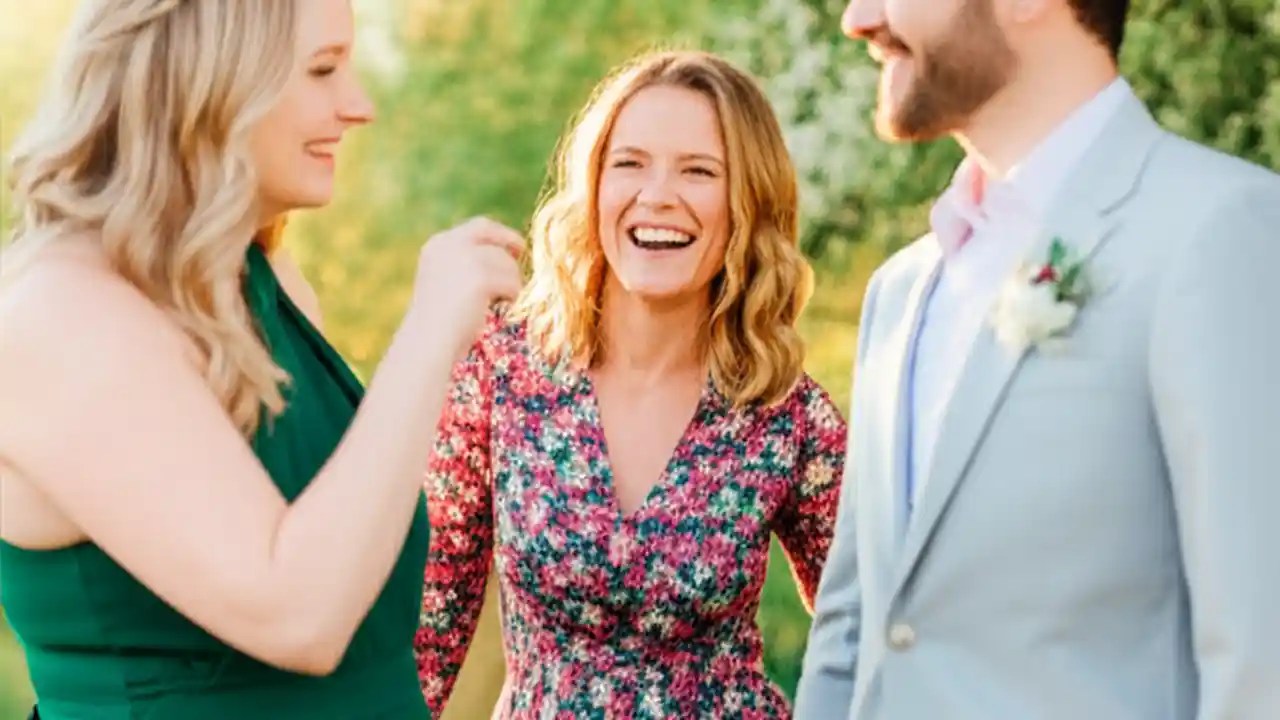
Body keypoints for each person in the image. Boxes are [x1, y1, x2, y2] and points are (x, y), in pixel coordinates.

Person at [0, 1, 523, 718]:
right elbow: (299, 617)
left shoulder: (267, 289)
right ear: (210, 79)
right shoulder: (61, 314)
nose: (357, 105)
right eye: (322, 69)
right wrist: (430, 333)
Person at [796, 0, 1280, 718]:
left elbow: (1259, 662)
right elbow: (852, 631)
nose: (859, 18)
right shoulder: (900, 291)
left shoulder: (1219, 231)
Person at [412, 50, 848, 719]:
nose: (658, 196)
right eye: (630, 164)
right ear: (592, 187)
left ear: (747, 203)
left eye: (699, 171)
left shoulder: (787, 416)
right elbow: (425, 637)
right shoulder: (500, 371)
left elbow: (875, 627)